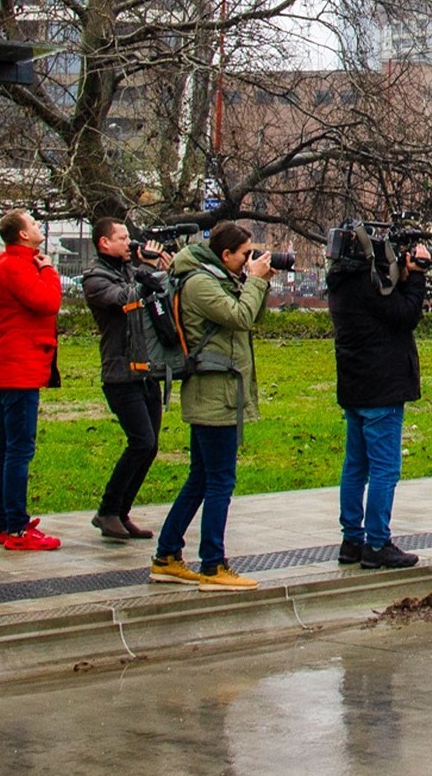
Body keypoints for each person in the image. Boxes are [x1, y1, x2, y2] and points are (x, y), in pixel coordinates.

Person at [148, 222, 273, 591]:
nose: (249, 260)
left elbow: (250, 318)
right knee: (220, 480)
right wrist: (254, 281)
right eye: (245, 254)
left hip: (217, 392)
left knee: (201, 478)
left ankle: (167, 556)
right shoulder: (200, 283)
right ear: (225, 254)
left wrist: (258, 283)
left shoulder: (217, 277)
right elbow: (239, 316)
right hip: (214, 394)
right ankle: (213, 565)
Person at [326, 235, 430, 570]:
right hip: (382, 388)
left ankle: (352, 540)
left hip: (354, 386)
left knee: (355, 467)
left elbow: (385, 313)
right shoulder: (371, 287)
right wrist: (416, 277)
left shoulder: (340, 284)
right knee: (385, 469)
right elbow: (406, 315)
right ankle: (377, 543)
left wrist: (399, 276)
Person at [80, 217, 169, 540]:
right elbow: (127, 300)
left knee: (150, 446)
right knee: (141, 441)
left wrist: (162, 270)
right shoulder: (95, 278)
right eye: (122, 237)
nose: (129, 242)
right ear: (104, 242)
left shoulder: (129, 271)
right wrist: (147, 272)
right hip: (120, 373)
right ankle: (107, 510)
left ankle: (120, 512)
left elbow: (156, 296)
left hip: (146, 371)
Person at [0, 209, 61, 551]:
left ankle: (6, 522)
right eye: (32, 223)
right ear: (22, 234)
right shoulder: (16, 266)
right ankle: (15, 527)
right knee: (18, 448)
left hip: (13, 365)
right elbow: (47, 302)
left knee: (6, 445)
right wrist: (49, 271)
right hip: (19, 368)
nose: (37, 225)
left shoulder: (13, 263)